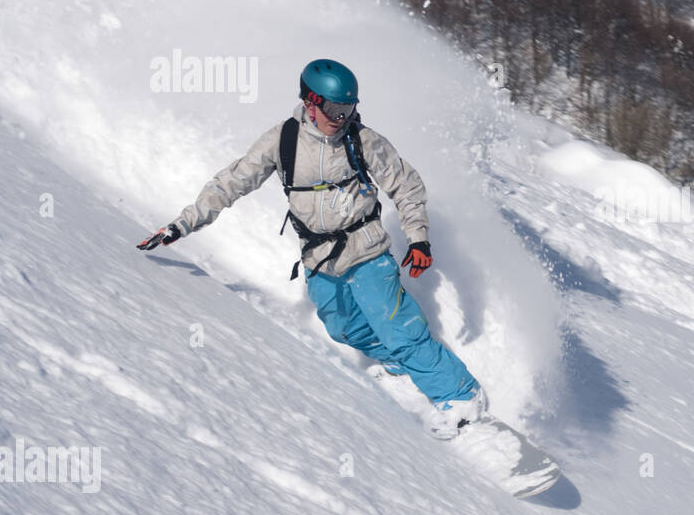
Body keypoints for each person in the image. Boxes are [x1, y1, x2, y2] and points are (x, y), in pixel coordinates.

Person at [137, 58, 485, 438]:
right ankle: (399, 365)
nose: (342, 117)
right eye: (335, 109)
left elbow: (407, 186)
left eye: (349, 108)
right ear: (310, 102)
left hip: (366, 249)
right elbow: (230, 183)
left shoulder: (361, 140)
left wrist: (418, 237)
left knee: (398, 327)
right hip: (319, 256)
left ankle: (460, 396)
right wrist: (183, 223)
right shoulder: (282, 141)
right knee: (342, 326)